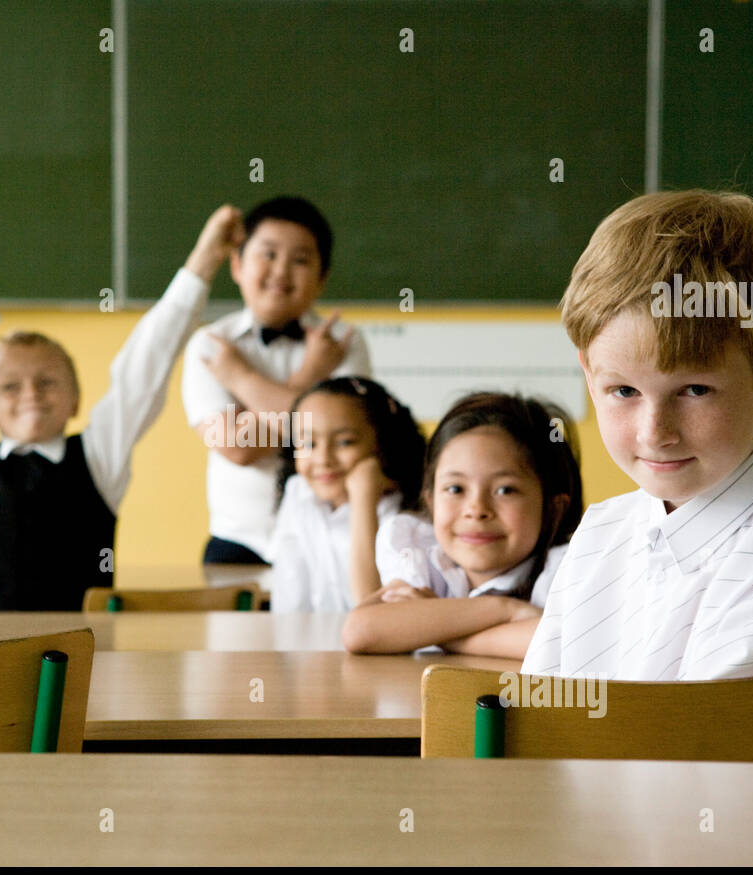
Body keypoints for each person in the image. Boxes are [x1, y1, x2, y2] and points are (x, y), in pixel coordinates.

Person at [522, 189, 753, 680]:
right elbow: (534, 722)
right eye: (624, 390)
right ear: (590, 378)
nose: (656, 432)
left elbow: (681, 752)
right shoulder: (599, 535)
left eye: (696, 389)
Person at [0, 200, 239, 610]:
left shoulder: (98, 457)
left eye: (48, 382)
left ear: (75, 401)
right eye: (10, 387)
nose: (31, 393)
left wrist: (205, 260)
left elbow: (148, 360)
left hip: (83, 659)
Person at [181, 196, 372, 565]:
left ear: (322, 278)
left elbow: (342, 438)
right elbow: (239, 447)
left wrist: (241, 378)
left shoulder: (343, 342)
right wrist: (311, 377)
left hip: (329, 538)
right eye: (267, 254)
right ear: (236, 265)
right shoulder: (209, 346)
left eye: (300, 260)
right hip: (238, 542)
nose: (281, 272)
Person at [342, 392, 582, 658]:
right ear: (430, 502)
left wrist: (440, 630)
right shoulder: (423, 553)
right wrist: (505, 610)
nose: (476, 510)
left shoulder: (567, 568)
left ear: (553, 509)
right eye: (455, 488)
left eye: (505, 490)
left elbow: (562, 646)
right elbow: (360, 631)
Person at [269, 377, 425, 612]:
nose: (323, 459)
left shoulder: (407, 517)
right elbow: (287, 601)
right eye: (308, 443)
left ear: (383, 444)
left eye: (344, 442)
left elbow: (372, 608)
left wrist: (364, 500)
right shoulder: (298, 494)